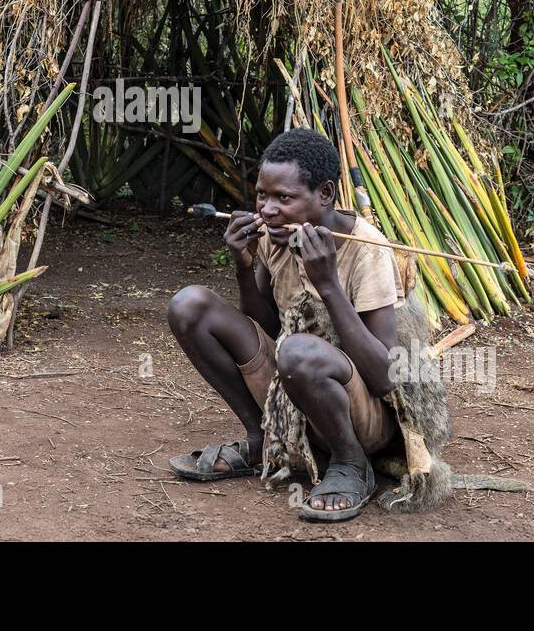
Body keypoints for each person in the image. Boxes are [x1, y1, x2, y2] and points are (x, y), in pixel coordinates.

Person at [167, 128, 406, 522]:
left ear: (325, 195)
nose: (268, 209)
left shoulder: (367, 251)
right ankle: (264, 440)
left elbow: (385, 378)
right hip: (292, 393)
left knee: (297, 349)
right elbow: (262, 329)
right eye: (262, 195)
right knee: (190, 305)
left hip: (362, 416)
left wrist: (329, 284)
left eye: (284, 198)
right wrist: (244, 267)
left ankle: (350, 463)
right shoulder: (273, 239)